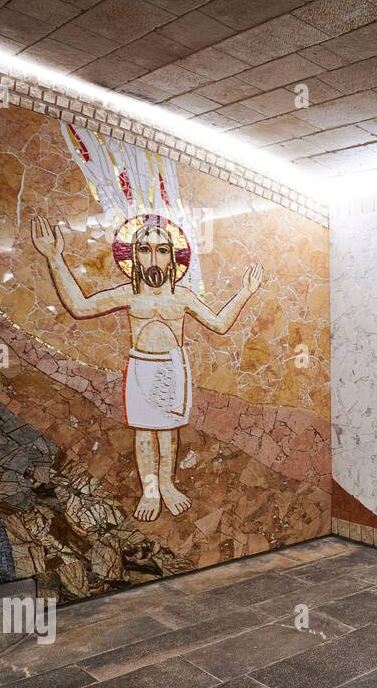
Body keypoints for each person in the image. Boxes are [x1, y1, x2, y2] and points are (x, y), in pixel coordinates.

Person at [31, 213, 263, 522]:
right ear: (134, 256)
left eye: (162, 249)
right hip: (141, 366)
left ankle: (167, 484)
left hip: (172, 366)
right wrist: (54, 258)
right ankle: (150, 489)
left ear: (172, 257)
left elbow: (219, 324)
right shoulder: (129, 294)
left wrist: (245, 292)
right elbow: (80, 306)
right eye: (145, 248)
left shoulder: (181, 297)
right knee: (144, 431)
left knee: (168, 432)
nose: (153, 255)